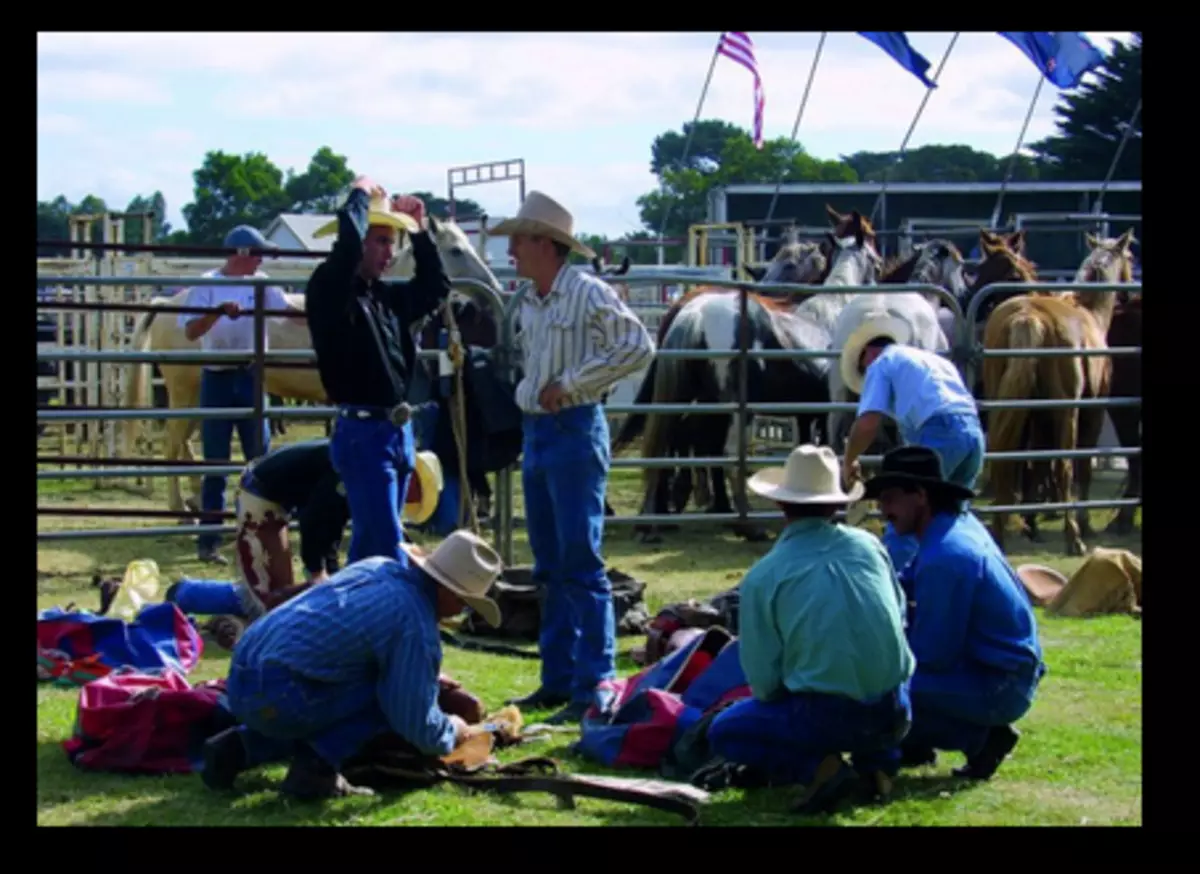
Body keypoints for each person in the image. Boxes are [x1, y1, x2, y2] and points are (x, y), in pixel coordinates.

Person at [487, 191, 655, 725]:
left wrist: (573, 384)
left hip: (572, 428)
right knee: (550, 564)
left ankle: (593, 680)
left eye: (519, 238)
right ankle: (560, 678)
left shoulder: (585, 291)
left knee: (578, 561)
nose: (511, 248)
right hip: (543, 430)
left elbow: (638, 345)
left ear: (545, 243)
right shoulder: (535, 299)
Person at [199, 529, 504, 800]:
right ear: (447, 590)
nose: (460, 612)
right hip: (279, 693)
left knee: (337, 689)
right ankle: (315, 772)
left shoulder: (376, 567)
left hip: (242, 674)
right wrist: (453, 729)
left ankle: (238, 748)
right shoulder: (413, 623)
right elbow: (414, 720)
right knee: (384, 696)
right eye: (464, 603)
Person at [701, 444, 916, 814]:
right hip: (894, 710)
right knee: (875, 687)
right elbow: (899, 617)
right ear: (836, 504)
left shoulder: (765, 576)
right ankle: (879, 763)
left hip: (826, 713)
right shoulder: (870, 546)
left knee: (727, 730)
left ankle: (819, 768)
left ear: (781, 505)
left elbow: (765, 684)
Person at [863, 445, 1046, 781]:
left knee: (872, 689)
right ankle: (924, 740)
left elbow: (934, 654)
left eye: (889, 498)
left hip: (997, 683)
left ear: (919, 495)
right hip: (1004, 672)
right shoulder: (955, 530)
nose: (882, 510)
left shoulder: (944, 558)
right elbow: (904, 585)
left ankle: (976, 738)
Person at [305, 177, 452, 565]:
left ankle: (359, 616)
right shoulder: (329, 287)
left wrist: (420, 233)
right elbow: (347, 247)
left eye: (393, 242)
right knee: (388, 541)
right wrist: (357, 193)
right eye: (382, 241)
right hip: (365, 432)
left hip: (393, 430)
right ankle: (396, 619)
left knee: (375, 541)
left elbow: (436, 287)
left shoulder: (386, 296)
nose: (390, 253)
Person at [176, 225, 307, 564]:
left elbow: (291, 314)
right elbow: (191, 331)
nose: (262, 259)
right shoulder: (207, 284)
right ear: (242, 253)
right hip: (217, 378)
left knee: (259, 462)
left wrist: (320, 315)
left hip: (250, 376)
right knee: (216, 464)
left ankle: (257, 535)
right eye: (258, 252)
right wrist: (217, 312)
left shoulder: (262, 283)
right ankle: (209, 541)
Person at [838, 313, 985, 571]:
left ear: (868, 354)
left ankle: (891, 590)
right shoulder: (932, 361)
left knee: (905, 516)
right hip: (972, 432)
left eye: (862, 370)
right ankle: (962, 577)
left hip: (937, 432)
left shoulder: (881, 364)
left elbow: (868, 422)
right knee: (952, 519)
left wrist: (849, 460)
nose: (865, 376)